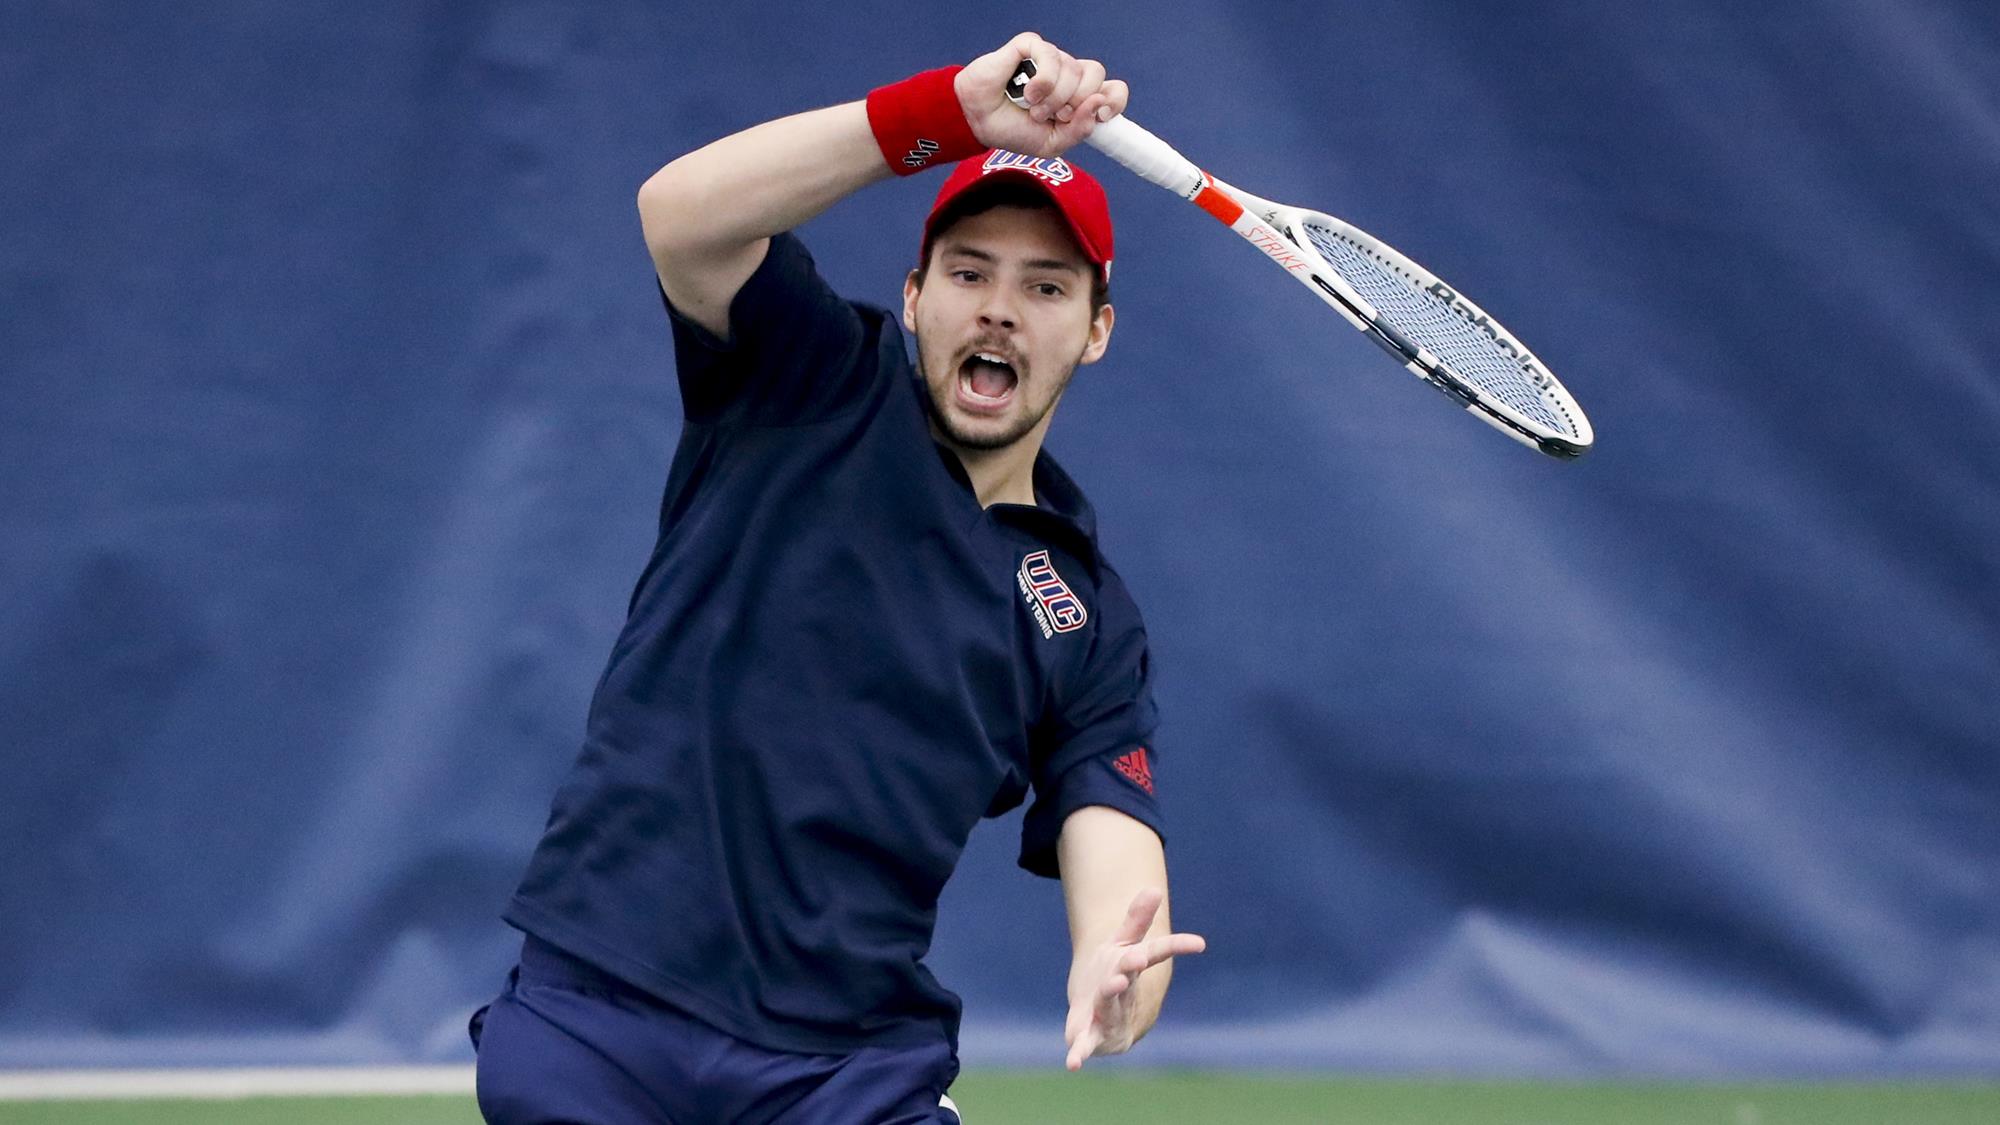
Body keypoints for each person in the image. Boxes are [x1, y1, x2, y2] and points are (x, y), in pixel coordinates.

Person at [470, 32, 1205, 1124]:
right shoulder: (809, 381)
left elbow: (1117, 857)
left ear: (1093, 332)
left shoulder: (1080, 611)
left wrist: (1118, 972)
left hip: (842, 1075)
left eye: (1044, 288)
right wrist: (947, 113)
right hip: (602, 1018)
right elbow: (680, 214)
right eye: (968, 274)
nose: (998, 309)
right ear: (912, 298)